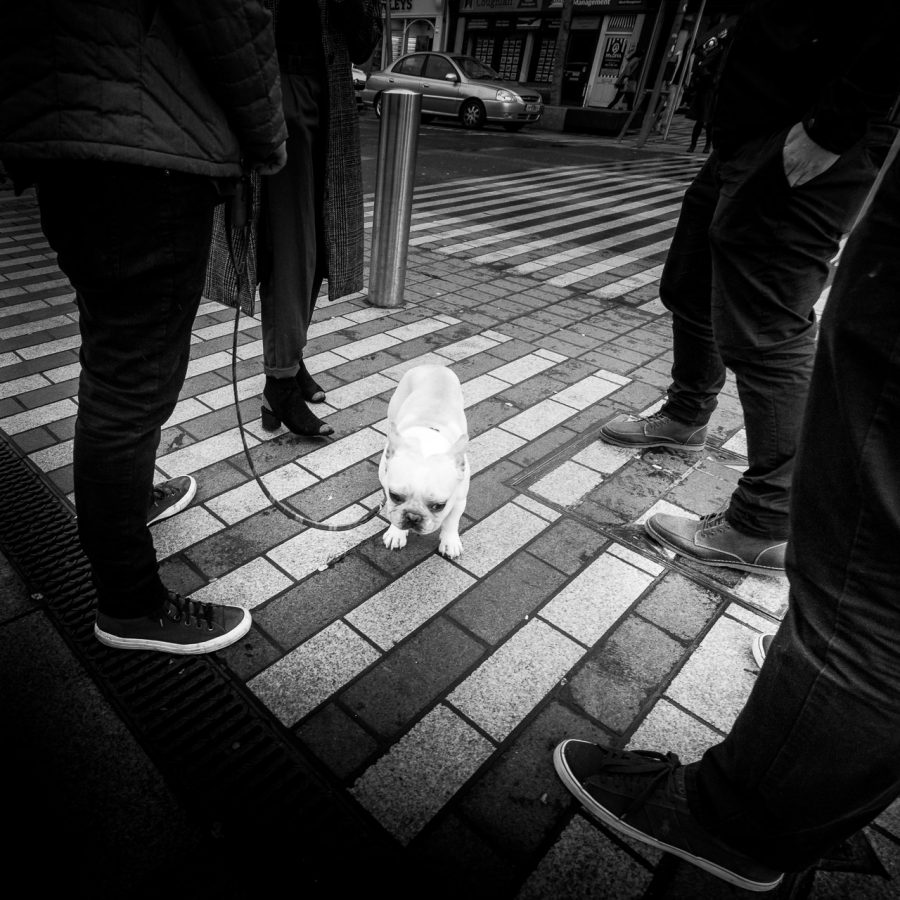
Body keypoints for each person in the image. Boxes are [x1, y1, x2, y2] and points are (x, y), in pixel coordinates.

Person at [554, 125, 900, 892]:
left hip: (810, 127)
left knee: (869, 580)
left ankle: (735, 823)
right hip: (787, 123)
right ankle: (818, 774)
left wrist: (838, 111)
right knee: (714, 278)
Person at [0, 0, 287, 654]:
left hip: (75, 142)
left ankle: (124, 508)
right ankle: (129, 604)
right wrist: (266, 139)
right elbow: (230, 17)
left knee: (117, 361)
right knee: (133, 387)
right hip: (144, 156)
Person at [599, 0, 900, 575]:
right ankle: (686, 417)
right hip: (746, 136)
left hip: (810, 132)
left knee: (767, 326)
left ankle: (765, 523)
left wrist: (834, 125)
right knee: (689, 285)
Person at [208, 0, 381, 438]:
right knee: (291, 247)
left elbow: (363, 43)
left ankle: (290, 361)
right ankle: (279, 381)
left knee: (320, 250)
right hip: (275, 94)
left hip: (329, 100)